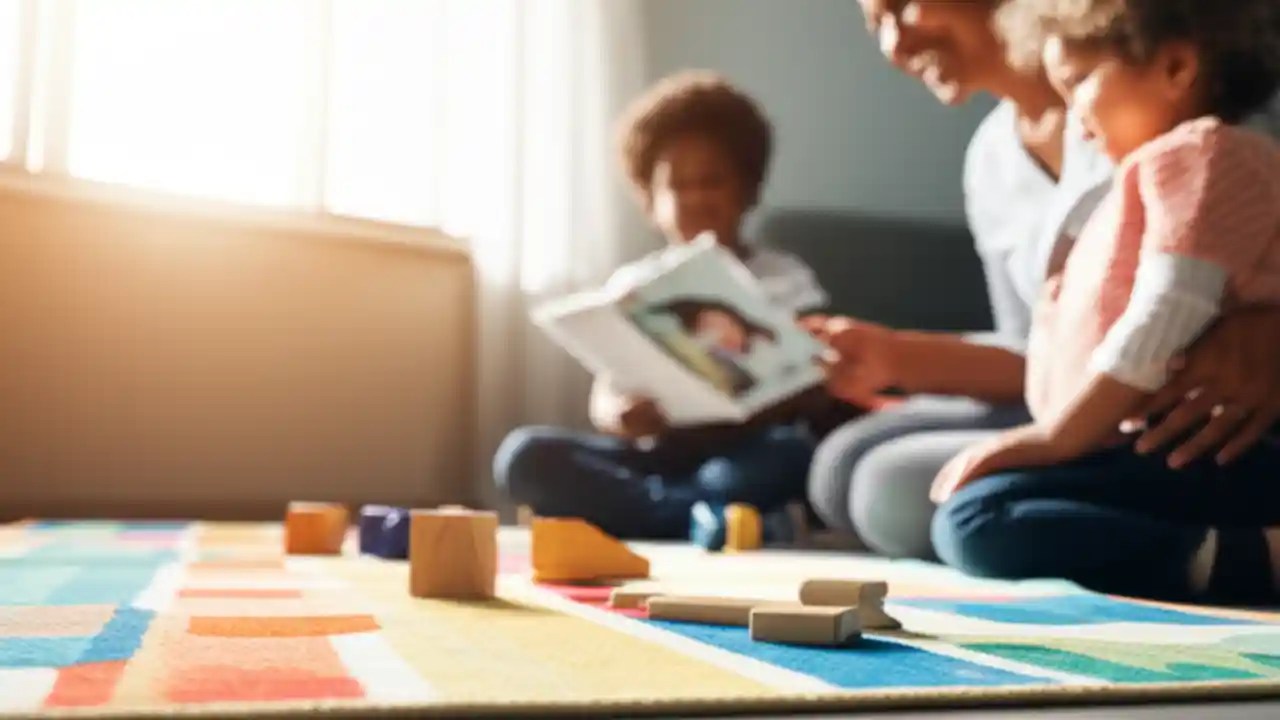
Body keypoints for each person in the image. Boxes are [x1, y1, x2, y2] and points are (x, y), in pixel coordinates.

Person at [808, 0, 1280, 561]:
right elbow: (1035, 349)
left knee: (898, 491)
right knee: (840, 467)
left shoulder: (1172, 118)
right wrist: (893, 356)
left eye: (902, 6)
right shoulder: (993, 156)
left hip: (1171, 420)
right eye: (875, 24)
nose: (892, 46)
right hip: (1081, 401)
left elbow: (1180, 295)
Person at [493, 72, 835, 539]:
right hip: (658, 450)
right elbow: (608, 389)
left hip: (743, 448)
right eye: (678, 185)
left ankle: (666, 513)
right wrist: (617, 415)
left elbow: (812, 376)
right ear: (650, 202)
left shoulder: (783, 276)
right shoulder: (632, 284)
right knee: (525, 454)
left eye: (713, 181)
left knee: (790, 454)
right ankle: (697, 517)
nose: (695, 198)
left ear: (748, 190)